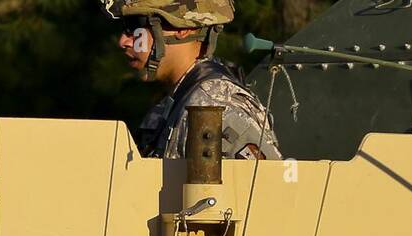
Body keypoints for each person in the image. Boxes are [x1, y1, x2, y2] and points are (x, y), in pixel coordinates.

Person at [102, 0, 281, 160]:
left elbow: (266, 192)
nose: (123, 41)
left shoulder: (214, 108)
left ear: (183, 28)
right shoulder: (177, 101)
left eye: (135, 26)